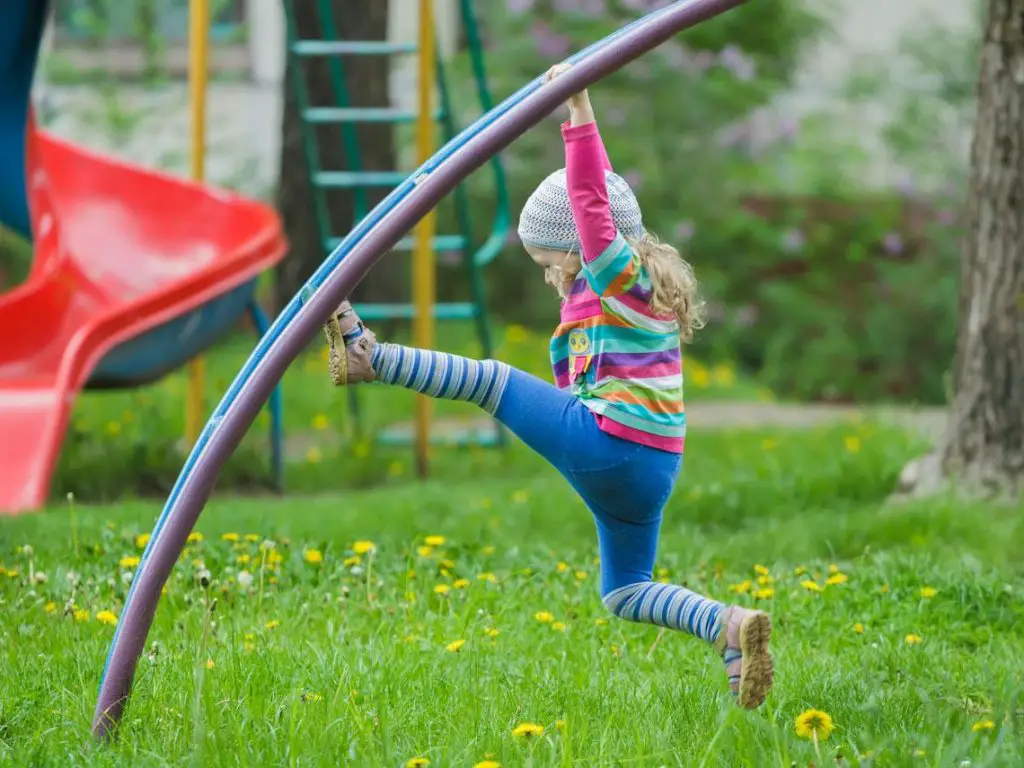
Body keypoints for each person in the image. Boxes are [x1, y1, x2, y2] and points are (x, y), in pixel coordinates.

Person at [322, 62, 773, 708]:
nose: (545, 277)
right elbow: (601, 215)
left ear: (577, 250)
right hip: (653, 468)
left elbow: (590, 201)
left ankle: (371, 355)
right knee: (624, 590)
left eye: (545, 263)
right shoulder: (635, 291)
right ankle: (727, 627)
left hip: (613, 442)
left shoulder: (613, 274)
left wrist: (578, 106)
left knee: (492, 380)